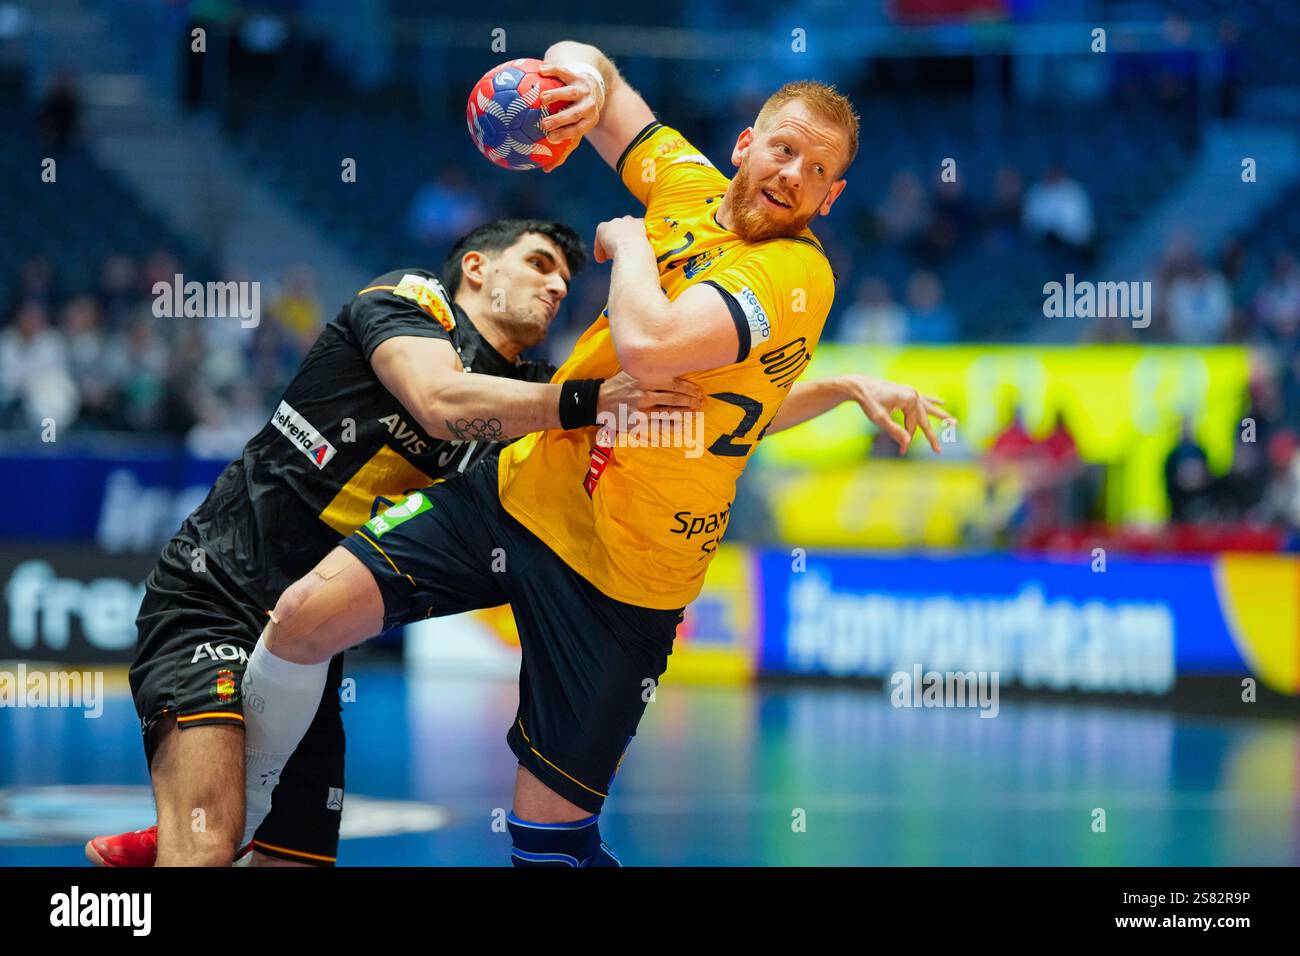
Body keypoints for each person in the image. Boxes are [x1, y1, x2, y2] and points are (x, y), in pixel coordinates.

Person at [231, 41, 953, 867]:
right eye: (783, 148)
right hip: (522, 494)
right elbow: (601, 78)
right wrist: (571, 78)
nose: (794, 173)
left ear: (831, 197)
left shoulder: (795, 275)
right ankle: (250, 836)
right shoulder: (683, 183)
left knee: (546, 849)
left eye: (817, 169)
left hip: (625, 581)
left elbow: (652, 347)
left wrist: (631, 243)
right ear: (744, 146)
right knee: (300, 619)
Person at [86, 218, 704, 867]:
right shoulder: (409, 301)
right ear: (476, 268)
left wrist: (799, 391)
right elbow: (441, 401)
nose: (555, 286)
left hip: (304, 650)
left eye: (564, 279)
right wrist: (594, 399)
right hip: (214, 594)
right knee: (207, 848)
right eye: (540, 263)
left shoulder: (531, 395)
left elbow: (682, 400)